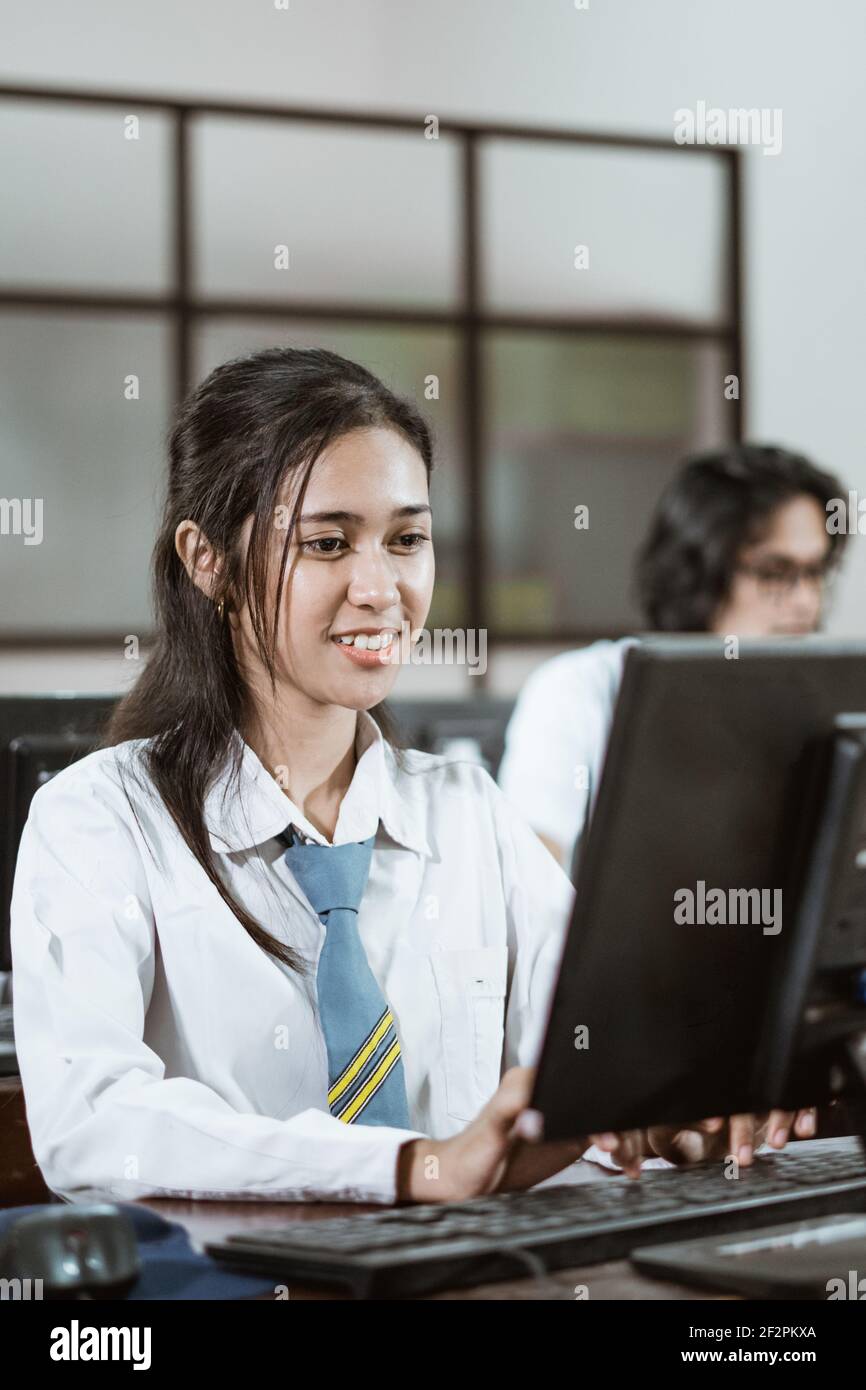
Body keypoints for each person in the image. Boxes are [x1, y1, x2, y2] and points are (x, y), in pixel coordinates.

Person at [10, 353, 813, 1207]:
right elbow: (93, 1122)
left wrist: (666, 1110)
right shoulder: (100, 820)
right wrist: (414, 1167)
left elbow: (598, 1038)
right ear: (207, 561)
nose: (380, 587)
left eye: (406, 540)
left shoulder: (465, 812)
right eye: (327, 543)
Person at [497, 445, 848, 875]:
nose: (804, 600)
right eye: (774, 572)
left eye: (814, 573)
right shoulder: (581, 689)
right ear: (701, 568)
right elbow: (531, 880)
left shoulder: (826, 701)